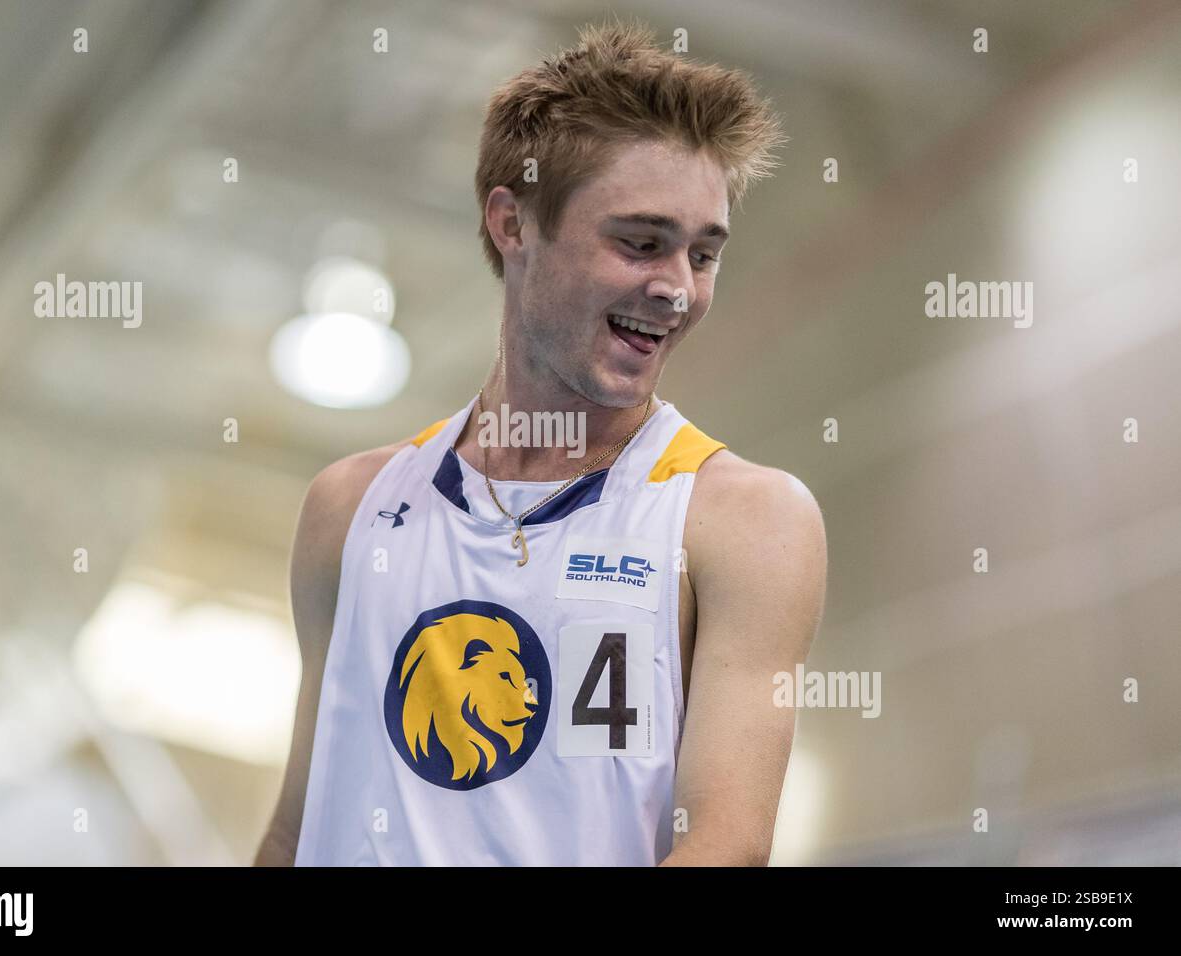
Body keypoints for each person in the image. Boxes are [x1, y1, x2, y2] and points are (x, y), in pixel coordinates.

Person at [256, 18, 827, 866]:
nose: (675, 289)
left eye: (703, 254)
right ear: (512, 225)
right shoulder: (350, 510)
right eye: (641, 243)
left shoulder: (742, 522)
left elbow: (724, 848)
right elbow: (296, 829)